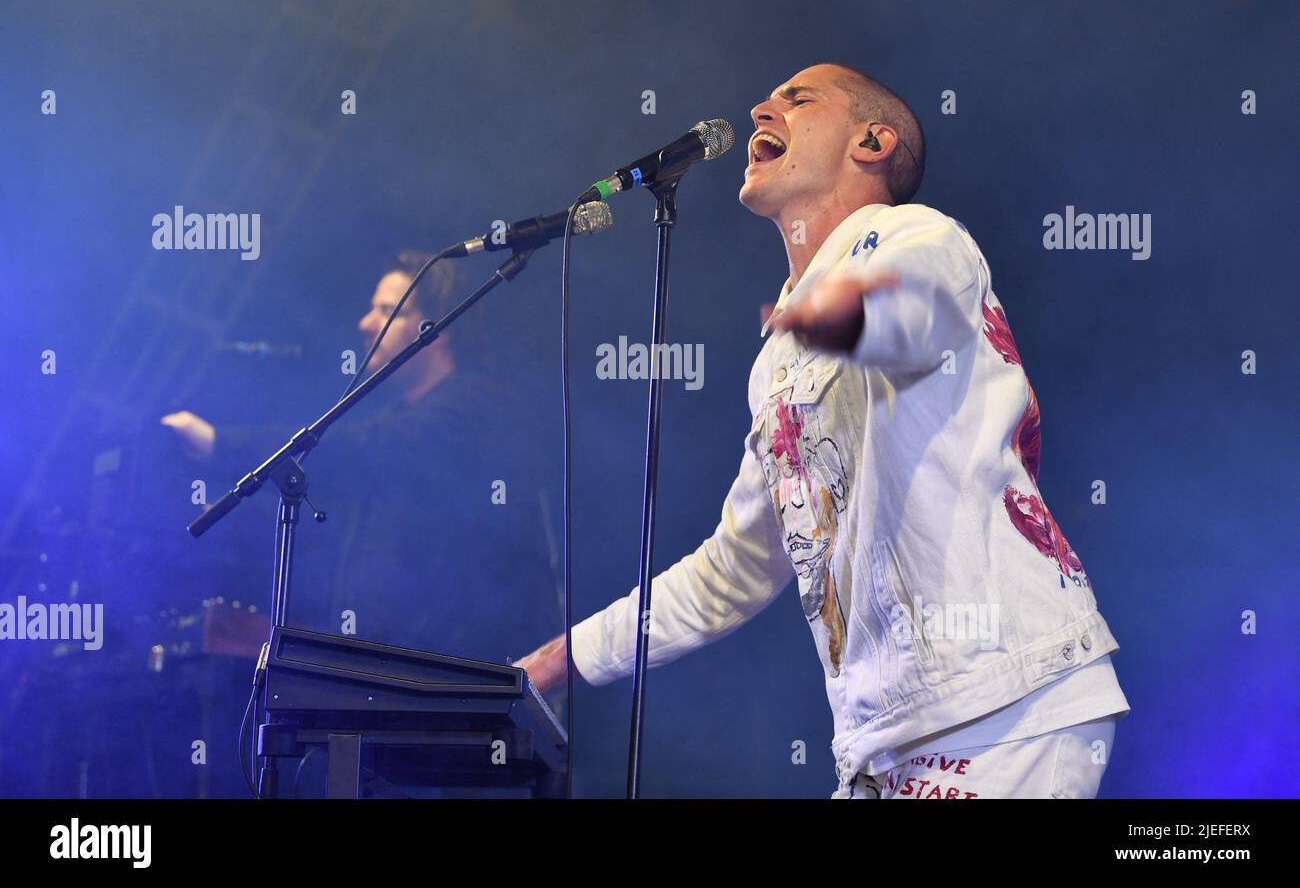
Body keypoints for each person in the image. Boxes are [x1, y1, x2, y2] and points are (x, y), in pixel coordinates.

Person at [515, 63, 1129, 798]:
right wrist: (555, 662)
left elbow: (914, 306)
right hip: (882, 737)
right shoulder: (779, 355)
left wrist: (843, 317)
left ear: (872, 141)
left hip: (1003, 701)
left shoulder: (920, 234)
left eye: (797, 99)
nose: (759, 107)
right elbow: (731, 571)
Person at [162, 252, 561, 665]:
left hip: (477, 661)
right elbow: (336, 514)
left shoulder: (474, 408)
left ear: (436, 328)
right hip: (406, 660)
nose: (366, 323)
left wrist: (218, 442)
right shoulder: (400, 412)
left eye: (387, 311)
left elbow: (360, 452)